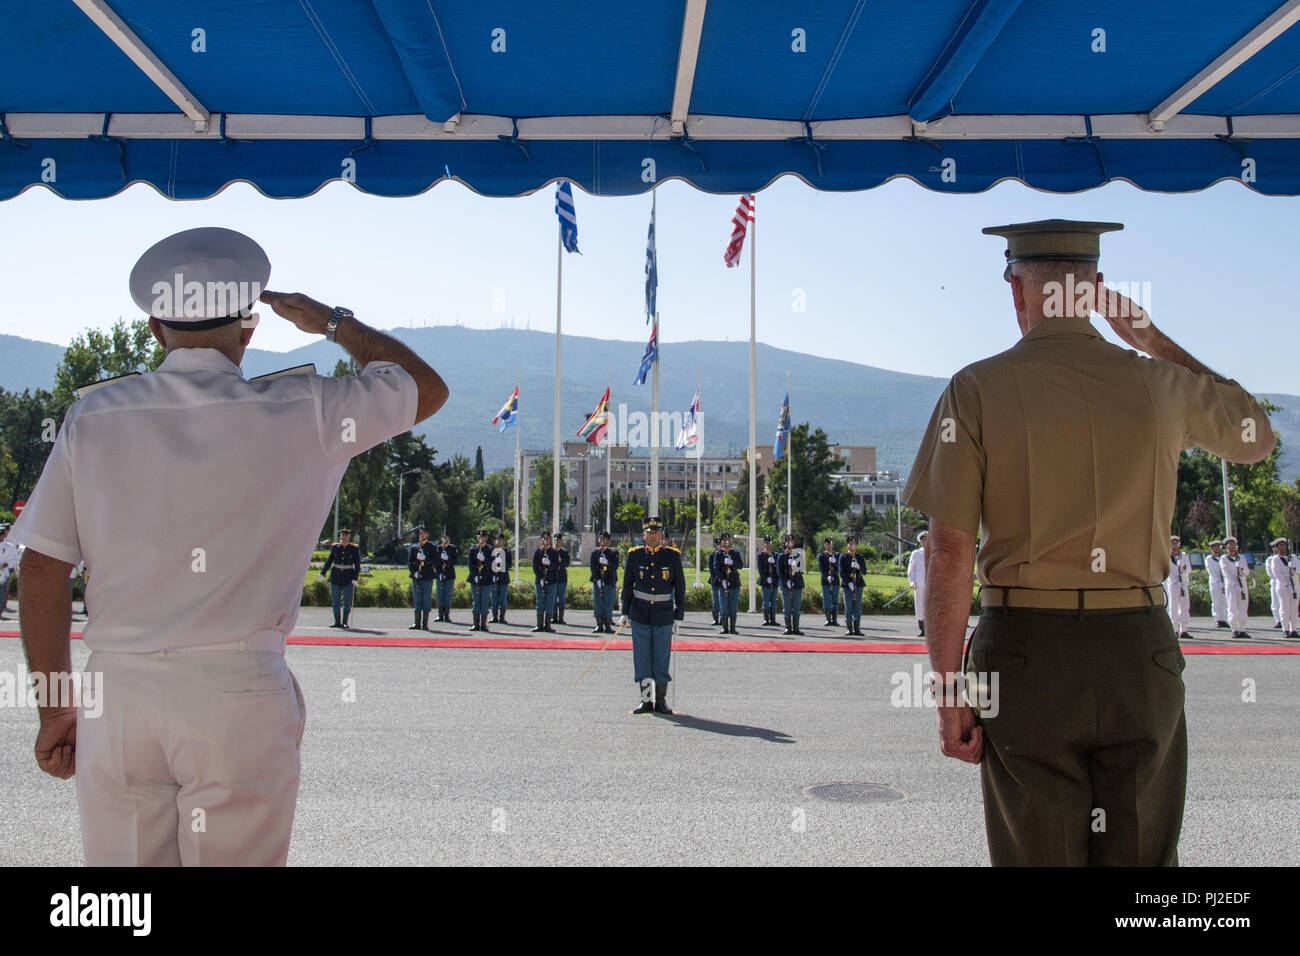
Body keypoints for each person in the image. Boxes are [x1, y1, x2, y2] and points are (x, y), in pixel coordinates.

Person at [9, 226, 448, 866]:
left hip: (119, 691)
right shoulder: (308, 410)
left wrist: (55, 711)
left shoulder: (93, 418)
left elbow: (43, 570)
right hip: (236, 690)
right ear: (249, 327)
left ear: (155, 327)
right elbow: (425, 388)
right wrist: (333, 323)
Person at [903, 218, 1273, 866]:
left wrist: (946, 694)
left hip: (1024, 657)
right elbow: (1255, 435)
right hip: (1138, 649)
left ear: (1016, 292)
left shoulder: (976, 389)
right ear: (1097, 290)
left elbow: (949, 555)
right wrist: (1153, 340)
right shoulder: (1158, 385)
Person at [620, 517, 686, 714]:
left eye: (657, 532)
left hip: (663, 614)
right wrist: (625, 611)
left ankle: (661, 700)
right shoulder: (635, 556)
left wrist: (679, 615)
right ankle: (646, 700)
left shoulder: (672, 557)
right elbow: (627, 586)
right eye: (650, 532)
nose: (654, 536)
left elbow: (680, 587)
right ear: (644, 535)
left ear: (662, 535)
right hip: (640, 613)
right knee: (642, 658)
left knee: (661, 657)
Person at [321, 529, 361, 629]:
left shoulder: (354, 548)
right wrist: (323, 573)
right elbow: (329, 561)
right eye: (342, 536)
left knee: (347, 600)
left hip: (348, 577)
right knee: (335, 600)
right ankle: (337, 621)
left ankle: (345, 622)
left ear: (349, 537)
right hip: (336, 576)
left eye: (346, 536)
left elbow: (357, 564)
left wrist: (355, 577)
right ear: (340, 537)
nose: (343, 538)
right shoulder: (335, 547)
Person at [1220, 536, 1252, 639]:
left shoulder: (1241, 558)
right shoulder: (1224, 559)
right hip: (1232, 586)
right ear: (1226, 547)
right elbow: (1227, 574)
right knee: (1232, 608)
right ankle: (1234, 629)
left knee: (1243, 607)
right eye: (1230, 544)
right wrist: (1236, 585)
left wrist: (1242, 571)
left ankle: (1242, 629)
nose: (1232, 546)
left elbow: (1247, 571)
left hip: (1242, 585)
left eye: (1233, 544)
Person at [590, 529, 620, 634]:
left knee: (608, 602)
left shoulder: (613, 552)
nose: (603, 541)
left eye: (605, 539)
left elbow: (615, 565)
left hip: (609, 580)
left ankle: (607, 625)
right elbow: (593, 567)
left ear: (609, 541)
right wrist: (597, 579)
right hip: (598, 581)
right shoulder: (595, 552)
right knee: (598, 602)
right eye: (601, 539)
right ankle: (599, 625)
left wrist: (607, 563)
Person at [408, 526, 436, 630]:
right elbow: (410, 562)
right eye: (421, 533)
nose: (422, 535)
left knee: (426, 599)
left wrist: (426, 559)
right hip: (416, 577)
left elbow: (435, 561)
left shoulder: (432, 547)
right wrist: (413, 572)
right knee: (417, 599)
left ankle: (425, 624)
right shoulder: (414, 547)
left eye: (424, 533)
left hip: (427, 576)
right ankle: (417, 623)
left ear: (427, 535)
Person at [1270, 538, 1299, 639]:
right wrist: (1287, 583)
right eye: (1280, 545)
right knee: (1284, 608)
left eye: (1284, 545)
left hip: (1294, 586)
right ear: (1277, 548)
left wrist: (1294, 569)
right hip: (1283, 586)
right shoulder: (1275, 559)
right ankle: (1285, 629)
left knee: (1294, 609)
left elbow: (1298, 570)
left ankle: (1293, 629)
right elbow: (1277, 573)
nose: (1283, 547)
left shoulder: (1293, 558)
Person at [777, 533, 805, 635]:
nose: (790, 543)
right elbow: (779, 572)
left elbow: (801, 570)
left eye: (791, 541)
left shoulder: (798, 555)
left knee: (796, 607)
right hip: (786, 585)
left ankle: (796, 628)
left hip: (797, 583)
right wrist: (786, 581)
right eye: (788, 541)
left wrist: (795, 566)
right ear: (785, 543)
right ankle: (788, 628)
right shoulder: (781, 556)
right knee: (787, 607)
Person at [1164, 535, 1191, 639]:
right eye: (1172, 543)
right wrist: (1175, 581)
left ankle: (1184, 629)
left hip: (1183, 584)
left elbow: (1188, 569)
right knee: (1173, 607)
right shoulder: (1167, 556)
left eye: (1176, 543)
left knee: (1184, 607)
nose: (1175, 545)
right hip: (1173, 584)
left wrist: (1183, 570)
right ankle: (1174, 629)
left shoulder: (1183, 556)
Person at [839, 534, 866, 636]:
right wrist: (848, 582)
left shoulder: (859, 557)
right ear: (847, 545)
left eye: (853, 544)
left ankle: (857, 628)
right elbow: (841, 572)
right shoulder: (843, 557)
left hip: (858, 584)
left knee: (857, 607)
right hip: (848, 585)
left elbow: (864, 571)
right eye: (850, 544)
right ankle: (849, 628)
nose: (852, 546)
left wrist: (858, 567)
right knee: (848, 606)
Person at [466, 530, 493, 632]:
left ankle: (483, 624)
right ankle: (475, 624)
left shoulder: (490, 549)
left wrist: (485, 559)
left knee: (485, 601)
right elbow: (470, 564)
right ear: (477, 538)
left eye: (483, 537)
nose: (481, 539)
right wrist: (474, 575)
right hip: (475, 578)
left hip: (486, 578)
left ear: (486, 538)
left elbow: (493, 564)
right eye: (479, 537)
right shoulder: (473, 549)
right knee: (476, 601)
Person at [716, 532, 743, 634]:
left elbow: (740, 565)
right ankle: (724, 627)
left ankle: (732, 627)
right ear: (721, 542)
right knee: (724, 606)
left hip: (734, 582)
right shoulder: (719, 554)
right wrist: (722, 579)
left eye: (728, 539)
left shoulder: (735, 553)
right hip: (723, 584)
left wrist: (733, 563)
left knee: (733, 606)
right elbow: (716, 568)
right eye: (724, 540)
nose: (726, 541)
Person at [532, 531, 558, 633]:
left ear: (550, 540)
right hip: (540, 581)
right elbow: (535, 567)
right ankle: (539, 625)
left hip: (551, 581)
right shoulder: (538, 552)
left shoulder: (554, 552)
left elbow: (556, 566)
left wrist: (550, 564)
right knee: (540, 603)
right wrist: (540, 577)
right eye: (543, 538)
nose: (545, 540)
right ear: (540, 540)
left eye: (547, 538)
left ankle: (547, 625)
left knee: (549, 603)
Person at [432, 531, 458, 624]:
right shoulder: (438, 548)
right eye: (443, 537)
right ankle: (440, 615)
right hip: (440, 574)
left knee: (447, 595)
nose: (445, 539)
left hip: (449, 575)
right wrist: (439, 569)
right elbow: (434, 561)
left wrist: (448, 559)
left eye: (446, 537)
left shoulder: (452, 548)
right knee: (440, 595)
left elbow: (455, 561)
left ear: (449, 539)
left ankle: (446, 615)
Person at [906, 531, 928, 636]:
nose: (926, 542)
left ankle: (930, 629)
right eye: (924, 540)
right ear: (921, 542)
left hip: (931, 586)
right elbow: (911, 569)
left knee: (930, 607)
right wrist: (912, 582)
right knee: (919, 606)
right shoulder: (916, 554)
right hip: (919, 584)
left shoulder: (934, 553)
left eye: (928, 540)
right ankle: (922, 629)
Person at [1205, 539, 1229, 628]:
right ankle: (1217, 619)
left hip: (1224, 582)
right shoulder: (1209, 559)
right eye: (1215, 547)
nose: (1217, 548)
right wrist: (1220, 583)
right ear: (1212, 548)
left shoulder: (1224, 558)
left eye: (1218, 546)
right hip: (1215, 583)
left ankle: (1223, 619)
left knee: (1224, 601)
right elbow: (1213, 572)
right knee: (1216, 601)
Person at [755, 535, 779, 626]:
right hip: (765, 581)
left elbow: (778, 568)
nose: (768, 545)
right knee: (766, 600)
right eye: (767, 543)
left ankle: (773, 619)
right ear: (764, 544)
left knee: (773, 600)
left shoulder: (775, 555)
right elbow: (760, 569)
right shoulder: (761, 555)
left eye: (770, 543)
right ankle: (766, 619)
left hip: (775, 580)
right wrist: (766, 578)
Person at [490, 531, 512, 625]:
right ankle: (494, 616)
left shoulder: (507, 551)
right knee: (494, 598)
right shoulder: (492, 551)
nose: (499, 542)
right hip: (493, 577)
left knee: (502, 599)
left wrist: (501, 563)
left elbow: (509, 565)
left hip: (503, 578)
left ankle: (502, 617)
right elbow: (488, 563)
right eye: (497, 540)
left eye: (501, 540)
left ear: (503, 541)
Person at [818, 537, 840, 628]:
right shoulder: (822, 556)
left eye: (830, 544)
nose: (829, 546)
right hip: (826, 581)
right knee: (827, 600)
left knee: (835, 599)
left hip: (835, 580)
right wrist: (827, 576)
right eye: (827, 544)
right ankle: (828, 618)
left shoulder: (837, 555)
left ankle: (834, 619)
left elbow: (840, 567)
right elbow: (821, 568)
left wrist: (835, 563)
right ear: (825, 545)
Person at [552, 532, 572, 625]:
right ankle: (554, 616)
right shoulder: (552, 551)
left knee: (561, 598)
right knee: (553, 598)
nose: (557, 542)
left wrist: (561, 561)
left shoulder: (564, 552)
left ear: (562, 541)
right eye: (556, 540)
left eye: (559, 540)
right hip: (553, 577)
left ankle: (561, 617)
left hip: (562, 577)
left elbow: (567, 563)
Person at [0, 525, 18, 618]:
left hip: (3, 572)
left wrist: (7, 564)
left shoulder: (9, 547)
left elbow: (14, 559)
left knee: (2, 592)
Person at [707, 535, 723, 626]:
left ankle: (723, 618)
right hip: (715, 580)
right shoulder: (713, 555)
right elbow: (712, 569)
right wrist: (718, 577)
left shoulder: (725, 555)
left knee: (722, 600)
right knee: (716, 600)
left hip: (724, 580)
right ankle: (716, 618)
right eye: (719, 545)